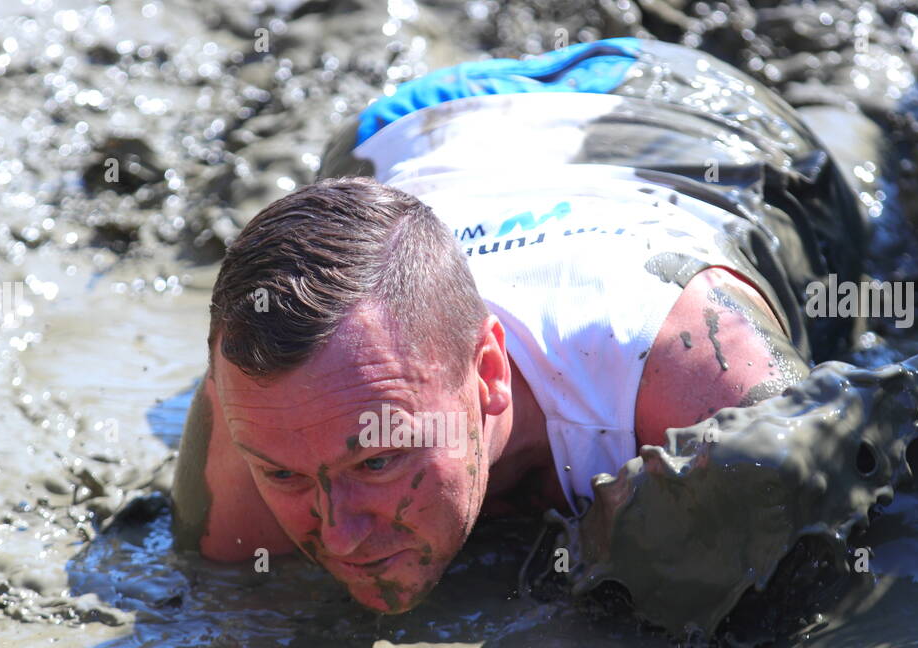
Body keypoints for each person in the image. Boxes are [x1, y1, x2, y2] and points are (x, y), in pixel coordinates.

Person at [171, 36, 877, 614]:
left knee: (875, 176)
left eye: (379, 460)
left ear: (487, 375)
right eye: (286, 476)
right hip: (409, 126)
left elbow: (854, 583)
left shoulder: (700, 373)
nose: (342, 533)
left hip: (687, 118)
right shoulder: (261, 414)